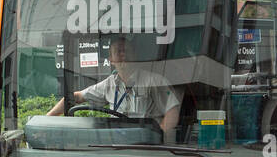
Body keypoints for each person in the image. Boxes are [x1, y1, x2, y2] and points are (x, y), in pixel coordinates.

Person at [47, 35, 181, 141]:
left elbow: (172, 110)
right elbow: (75, 97)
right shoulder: (109, 84)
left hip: (148, 149)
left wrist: (159, 136)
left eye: (127, 51)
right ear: (111, 59)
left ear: (135, 55)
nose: (123, 54)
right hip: (118, 148)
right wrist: (46, 119)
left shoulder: (154, 81)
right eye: (118, 52)